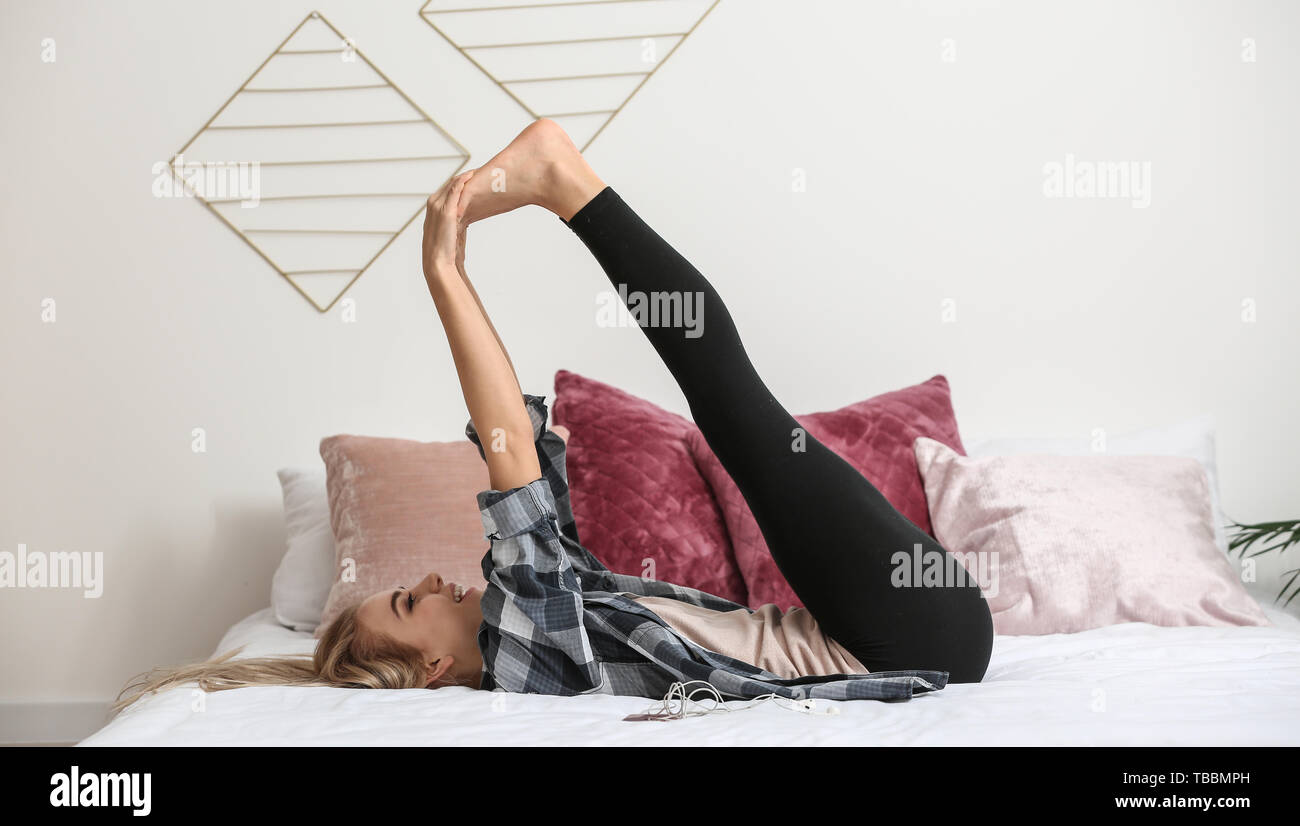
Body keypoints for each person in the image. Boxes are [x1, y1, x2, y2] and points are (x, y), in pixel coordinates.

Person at [114, 120, 993, 715]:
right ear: (428, 669)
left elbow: (520, 463)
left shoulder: (554, 618)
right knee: (736, 408)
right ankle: (563, 179)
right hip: (909, 637)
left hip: (891, 629)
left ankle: (562, 180)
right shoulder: (519, 642)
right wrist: (446, 278)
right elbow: (507, 453)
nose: (430, 582)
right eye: (410, 603)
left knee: (735, 411)